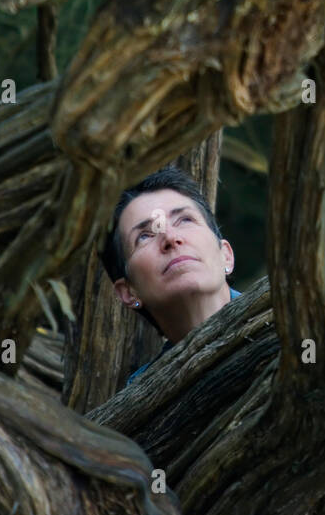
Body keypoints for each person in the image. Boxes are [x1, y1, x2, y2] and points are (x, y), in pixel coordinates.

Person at [101, 165, 241, 387]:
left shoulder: (297, 328)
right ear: (129, 292)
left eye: (184, 220)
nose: (171, 238)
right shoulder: (140, 402)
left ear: (226, 256)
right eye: (144, 236)